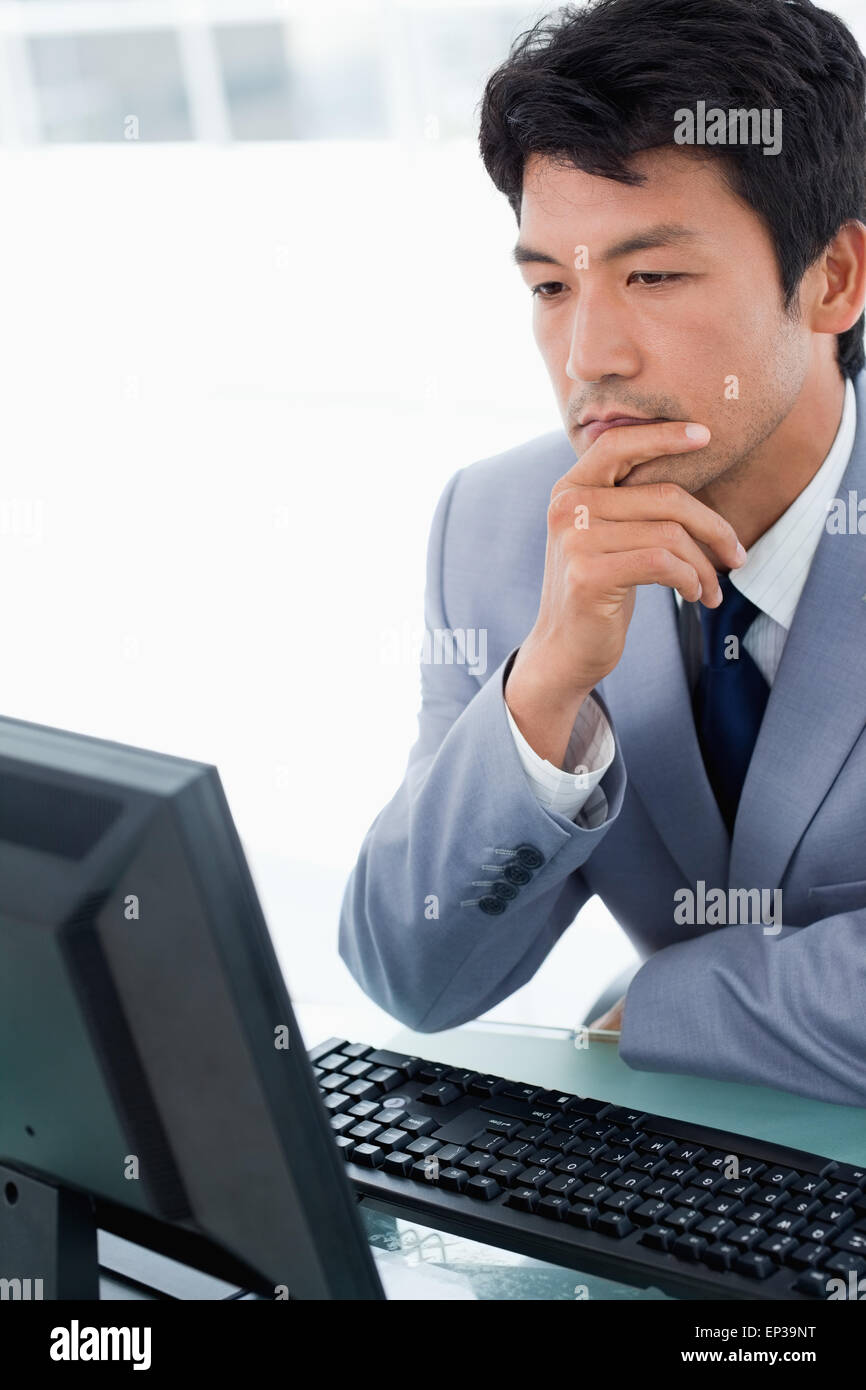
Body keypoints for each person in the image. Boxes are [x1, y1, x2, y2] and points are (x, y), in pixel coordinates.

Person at [339, 0, 866, 1106]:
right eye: (549, 286)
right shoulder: (494, 524)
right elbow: (409, 970)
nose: (588, 355)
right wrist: (544, 693)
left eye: (654, 276)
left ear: (831, 279)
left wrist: (662, 1004)